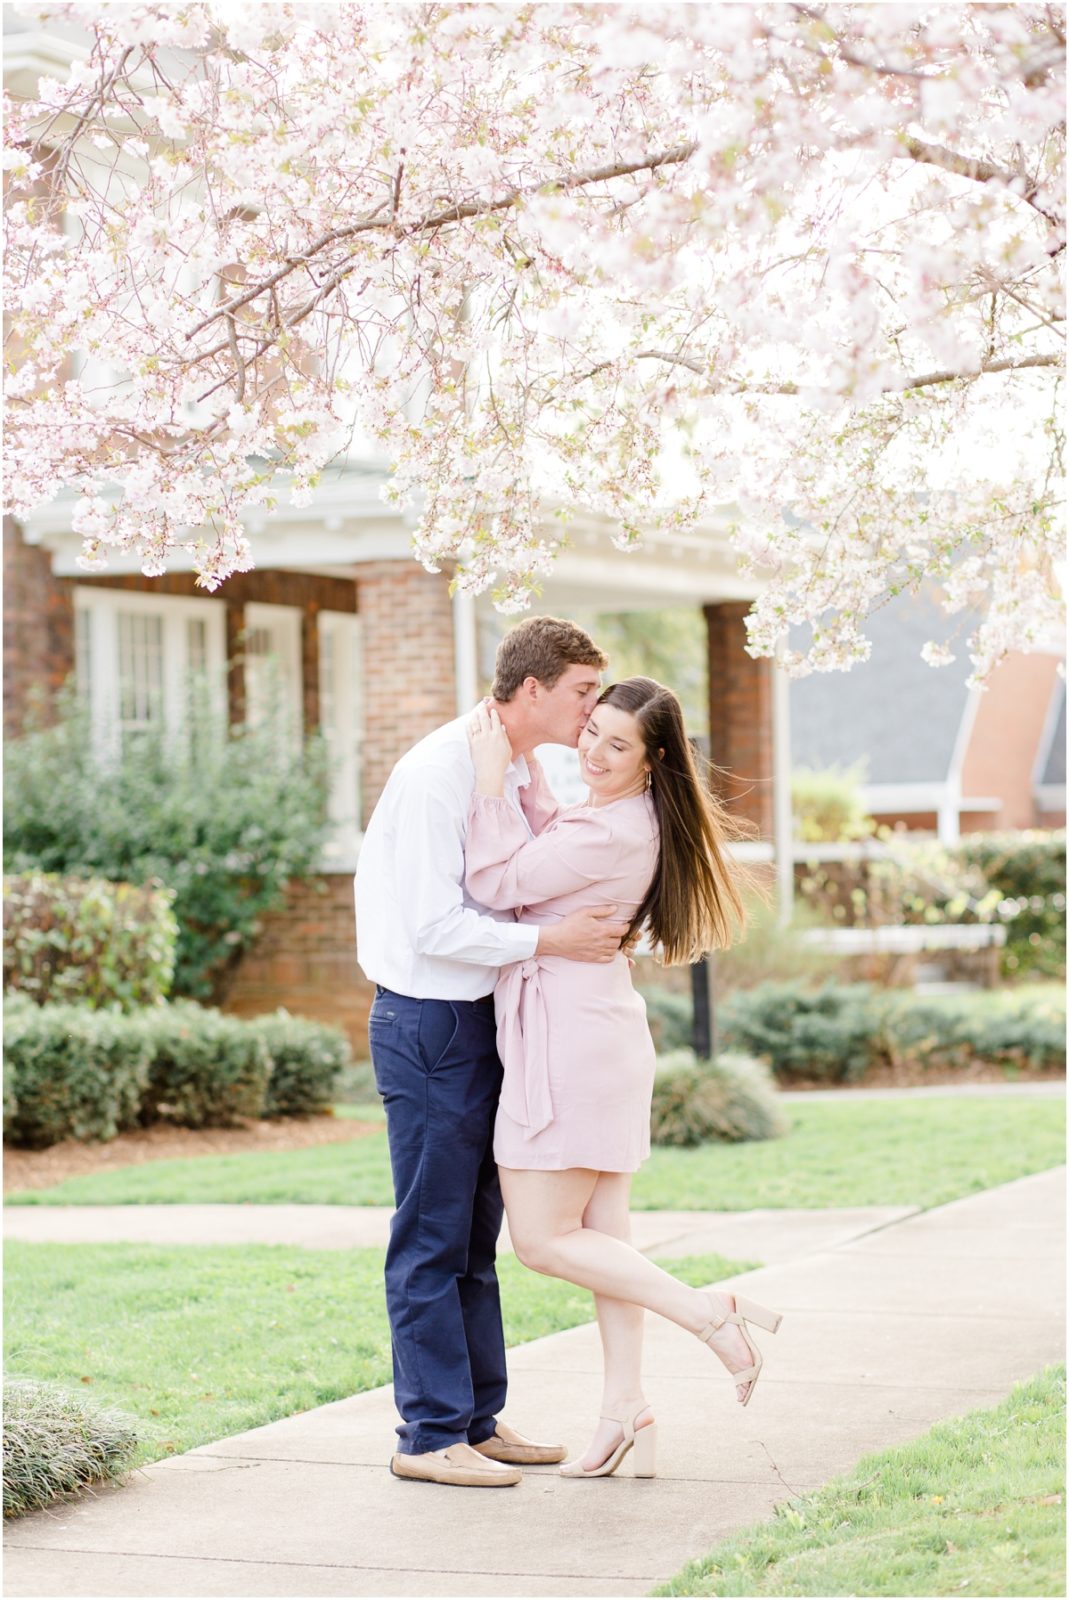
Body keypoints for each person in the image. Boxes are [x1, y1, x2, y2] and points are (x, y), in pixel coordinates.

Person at [464, 676, 781, 1479]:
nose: (594, 752)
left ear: (653, 760)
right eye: (592, 732)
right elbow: (543, 860)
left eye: (617, 744)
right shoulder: (617, 816)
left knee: (539, 1240)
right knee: (605, 1241)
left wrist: (488, 782)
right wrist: (533, 780)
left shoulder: (611, 831)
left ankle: (706, 1313)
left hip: (567, 1043)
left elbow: (492, 884)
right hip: (594, 1032)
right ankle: (623, 1409)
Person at [355, 616, 633, 1489]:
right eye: (584, 693)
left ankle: (474, 1419)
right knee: (431, 1235)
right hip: (429, 1023)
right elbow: (436, 925)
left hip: (480, 1020)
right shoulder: (442, 771)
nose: (593, 712)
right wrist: (552, 943)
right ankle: (428, 1436)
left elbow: (526, 867)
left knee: (476, 1236)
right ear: (533, 690)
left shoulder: (517, 765)